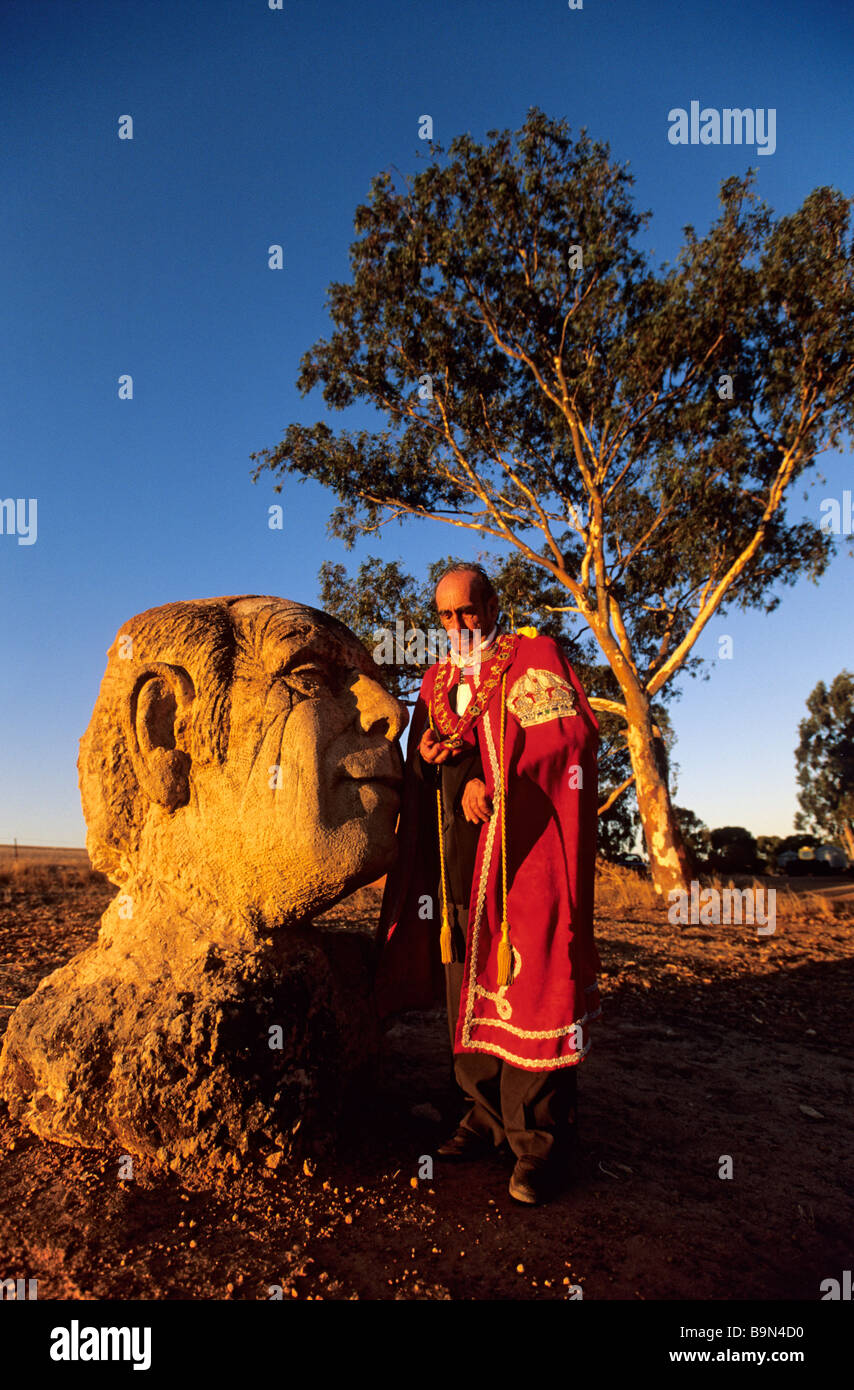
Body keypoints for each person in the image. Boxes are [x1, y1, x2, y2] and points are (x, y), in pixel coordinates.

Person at [376, 565, 602, 1205]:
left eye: (468, 612)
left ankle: (540, 1145)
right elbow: (431, 747)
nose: (457, 626)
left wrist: (491, 781)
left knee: (530, 987)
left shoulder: (533, 656)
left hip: (521, 858)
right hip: (456, 861)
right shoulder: (437, 679)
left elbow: (570, 739)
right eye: (445, 616)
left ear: (494, 605)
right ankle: (482, 1117)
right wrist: (426, 756)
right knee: (465, 991)